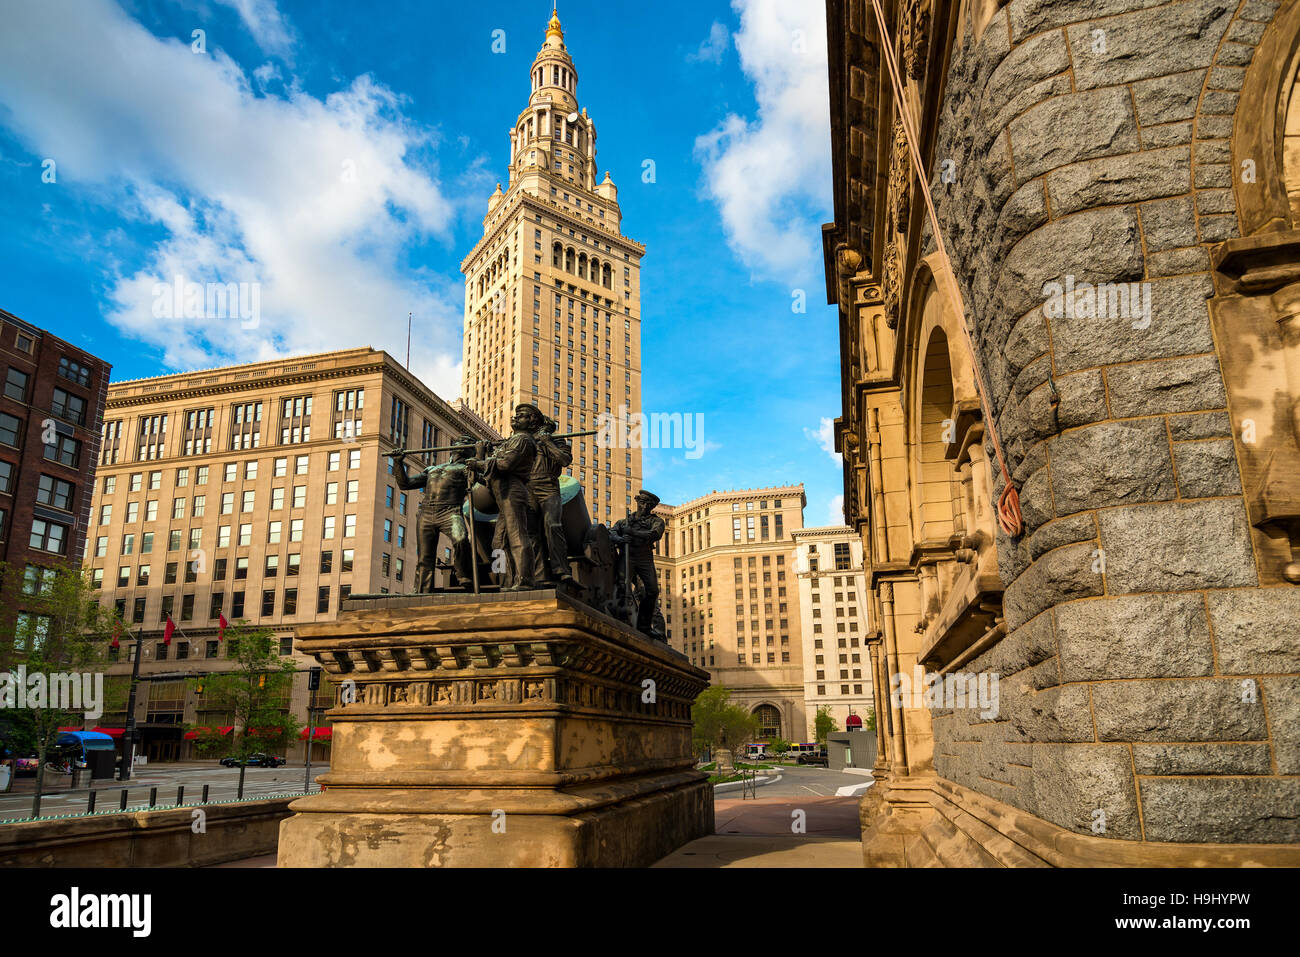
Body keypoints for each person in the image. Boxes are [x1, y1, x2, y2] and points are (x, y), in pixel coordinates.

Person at [468, 404, 540, 590]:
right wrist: (481, 456)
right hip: (502, 493)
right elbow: (492, 470)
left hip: (512, 491)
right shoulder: (512, 441)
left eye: (522, 416)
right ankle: (510, 580)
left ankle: (525, 581)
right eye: (516, 415)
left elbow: (505, 464)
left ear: (531, 424)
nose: (516, 418)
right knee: (499, 541)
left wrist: (479, 462)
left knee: (517, 535)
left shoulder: (522, 440)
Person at [392, 436, 477, 591]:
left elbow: (486, 479)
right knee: (425, 557)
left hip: (450, 511)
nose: (461, 444)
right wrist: (398, 462)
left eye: (466, 442)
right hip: (426, 512)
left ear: (471, 450)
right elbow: (405, 484)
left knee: (461, 539)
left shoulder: (468, 469)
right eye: (459, 442)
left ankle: (463, 574)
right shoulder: (432, 469)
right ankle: (422, 591)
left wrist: (482, 457)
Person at [611, 489, 666, 636]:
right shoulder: (624, 522)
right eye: (642, 503)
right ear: (637, 502)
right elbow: (611, 533)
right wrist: (621, 539)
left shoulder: (656, 521)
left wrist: (633, 533)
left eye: (648, 504)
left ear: (652, 507)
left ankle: (644, 626)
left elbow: (655, 534)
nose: (644, 506)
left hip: (645, 558)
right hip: (627, 556)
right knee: (622, 585)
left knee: (652, 591)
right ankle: (621, 616)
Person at [529, 415, 575, 585]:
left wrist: (547, 442)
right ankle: (538, 573)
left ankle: (561, 569)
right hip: (528, 487)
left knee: (553, 525)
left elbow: (564, 460)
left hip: (549, 486)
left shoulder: (558, 442)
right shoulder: (527, 441)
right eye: (540, 428)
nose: (542, 431)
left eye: (545, 429)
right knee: (531, 531)